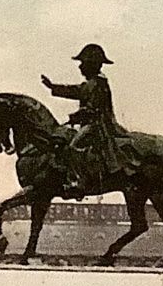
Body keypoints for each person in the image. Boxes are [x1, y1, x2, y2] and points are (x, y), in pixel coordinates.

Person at [42, 43, 123, 196]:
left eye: (83, 63)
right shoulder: (91, 83)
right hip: (90, 123)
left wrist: (75, 116)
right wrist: (53, 87)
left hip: (99, 125)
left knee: (73, 147)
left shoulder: (98, 83)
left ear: (92, 65)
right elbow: (76, 91)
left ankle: (79, 182)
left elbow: (93, 109)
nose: (80, 67)